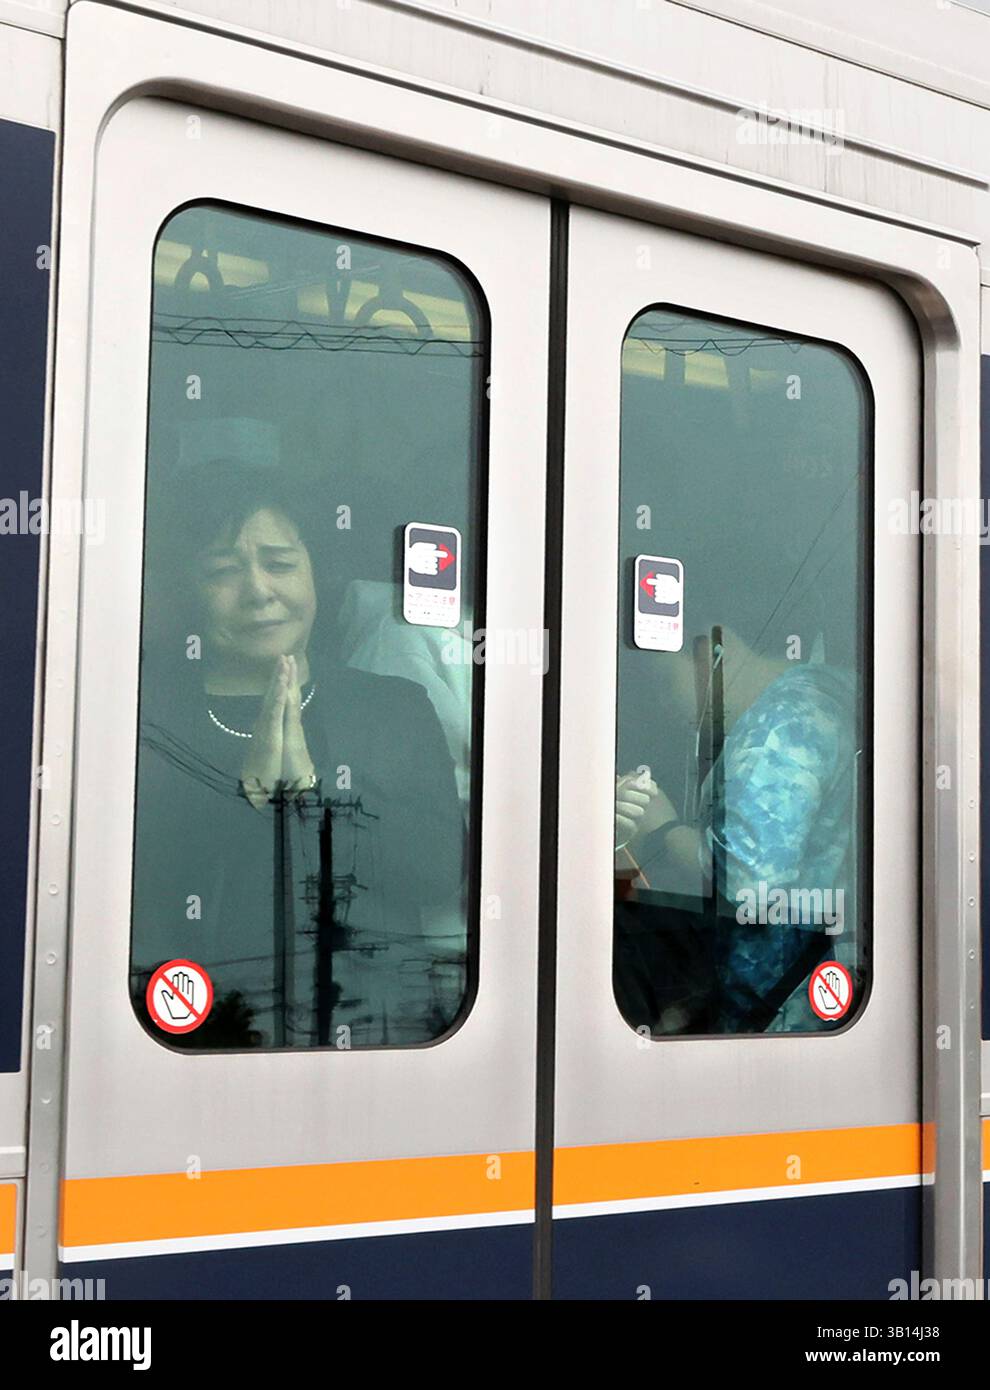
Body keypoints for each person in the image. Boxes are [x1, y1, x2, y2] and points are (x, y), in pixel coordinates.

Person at [131, 462, 468, 1049]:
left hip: (385, 1034)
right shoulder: (150, 716)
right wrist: (248, 797)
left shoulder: (391, 706)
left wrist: (312, 793)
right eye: (223, 572)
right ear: (190, 588)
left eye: (280, 564)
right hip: (196, 1032)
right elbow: (142, 887)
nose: (259, 590)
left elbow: (437, 872)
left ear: (316, 572)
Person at [614, 624, 858, 1035]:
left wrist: (661, 829)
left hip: (778, 1007)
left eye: (661, 683)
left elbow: (748, 882)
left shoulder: (778, 729)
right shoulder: (833, 691)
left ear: (712, 652)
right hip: (823, 986)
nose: (662, 706)